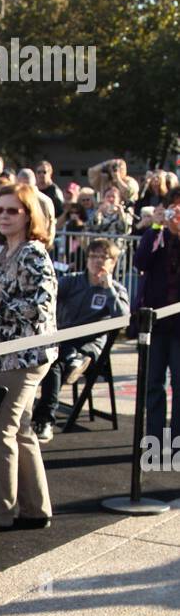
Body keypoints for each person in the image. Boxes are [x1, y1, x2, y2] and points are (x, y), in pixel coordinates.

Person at [0, 182, 58, 529]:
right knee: (19, 429)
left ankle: (1, 513)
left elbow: (41, 305)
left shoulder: (32, 252)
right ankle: (35, 509)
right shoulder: (5, 251)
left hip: (23, 356)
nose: (3, 216)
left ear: (28, 215)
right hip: (9, 353)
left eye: (12, 210)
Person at [32, 238, 129, 442]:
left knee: (56, 361)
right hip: (63, 338)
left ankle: (45, 419)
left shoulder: (117, 290)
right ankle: (72, 362)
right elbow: (48, 296)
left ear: (113, 262)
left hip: (91, 345)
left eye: (104, 257)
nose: (98, 261)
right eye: (94, 256)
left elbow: (122, 321)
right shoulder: (73, 280)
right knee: (54, 357)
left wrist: (109, 290)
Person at [132, 186, 180, 444]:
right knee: (153, 384)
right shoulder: (157, 235)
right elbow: (140, 262)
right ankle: (154, 439)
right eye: (174, 208)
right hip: (155, 322)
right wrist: (156, 228)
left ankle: (177, 443)